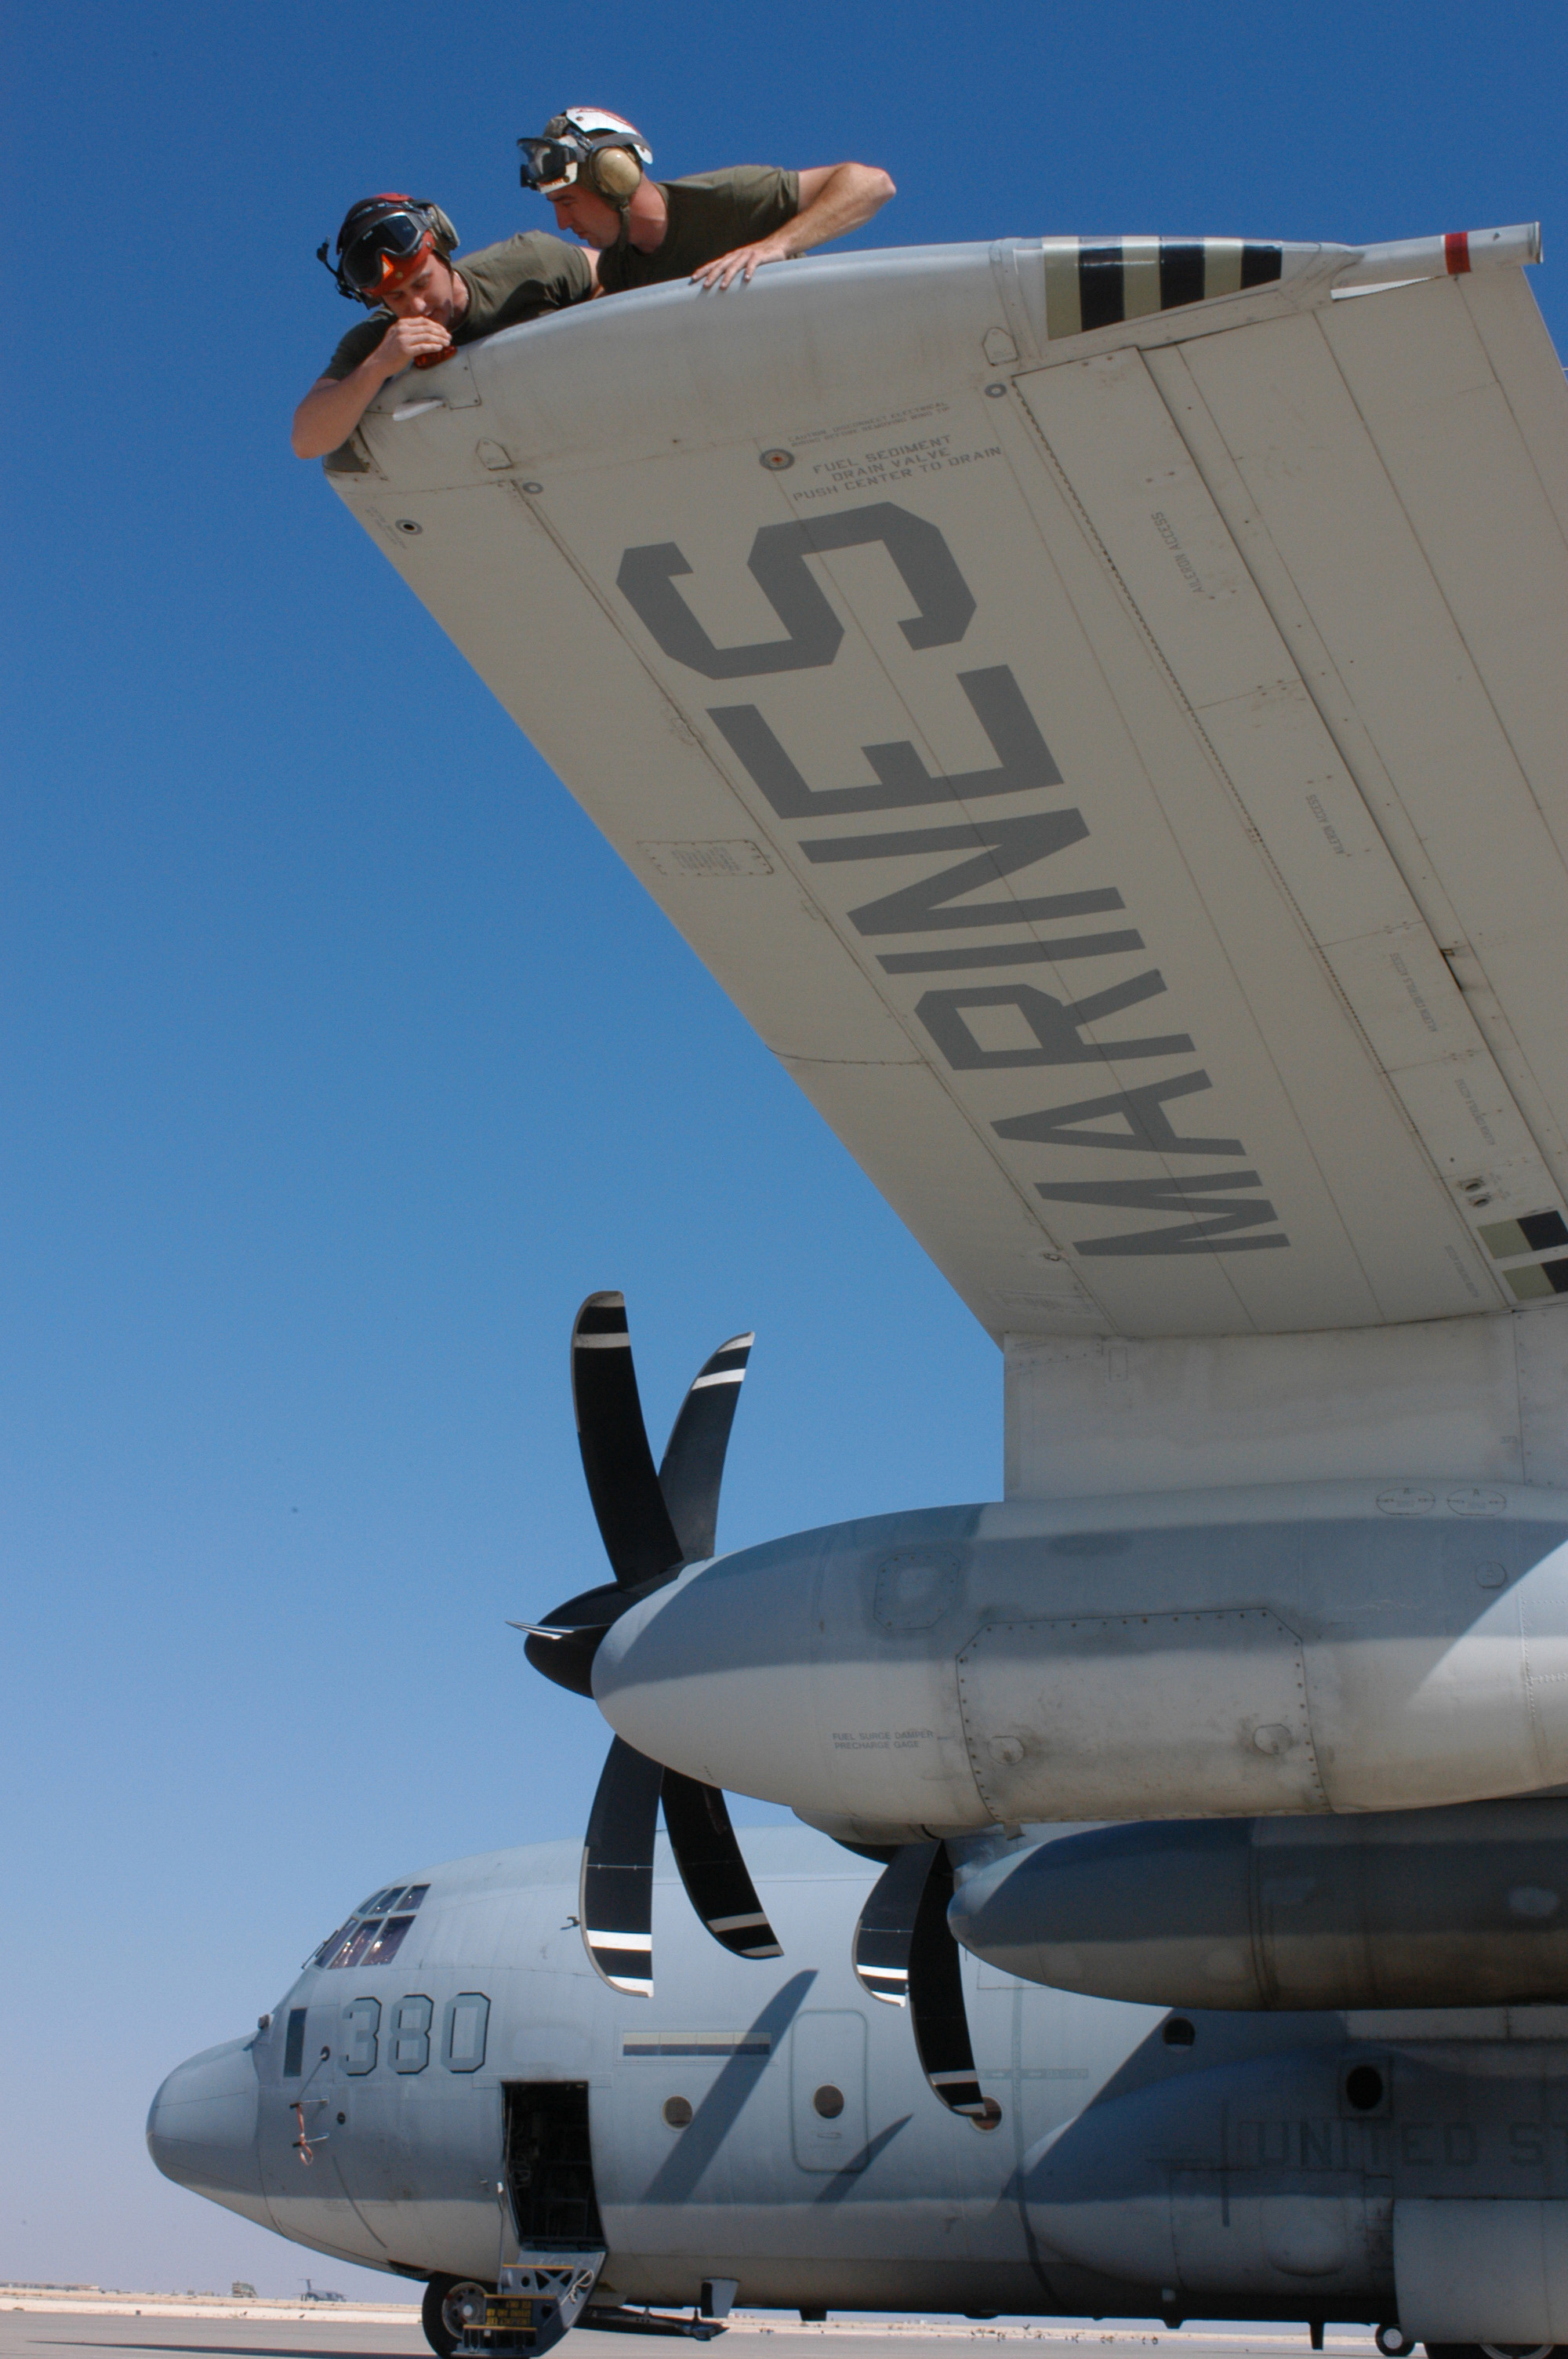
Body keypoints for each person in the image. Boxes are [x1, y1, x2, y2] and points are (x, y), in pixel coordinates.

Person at [292, 194, 594, 460]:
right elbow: (307, 441)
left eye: (422, 282)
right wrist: (378, 366)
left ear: (445, 252)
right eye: (396, 297)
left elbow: (619, 285)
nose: (418, 306)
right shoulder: (379, 341)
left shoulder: (532, 260)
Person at [516, 108, 895, 296]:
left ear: (614, 176)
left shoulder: (724, 197)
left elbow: (871, 184)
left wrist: (775, 246)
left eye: (567, 202)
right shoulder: (621, 271)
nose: (563, 223)